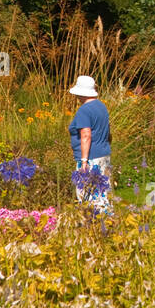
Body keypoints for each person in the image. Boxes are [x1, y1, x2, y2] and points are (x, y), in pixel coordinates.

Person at [68, 75, 112, 215]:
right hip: (103, 154)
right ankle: (107, 220)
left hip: (91, 157)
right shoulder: (101, 106)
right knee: (103, 190)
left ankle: (91, 221)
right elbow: (108, 131)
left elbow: (86, 135)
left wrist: (84, 161)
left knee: (87, 191)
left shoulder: (84, 110)